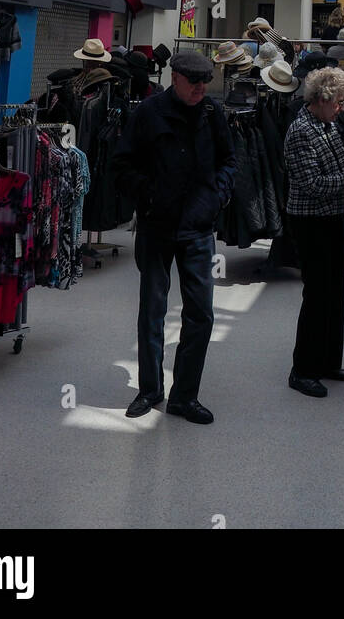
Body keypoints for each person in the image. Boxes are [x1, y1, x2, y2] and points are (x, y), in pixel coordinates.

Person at [111, 50, 236, 423]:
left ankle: (185, 396)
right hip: (156, 226)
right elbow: (121, 164)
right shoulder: (147, 113)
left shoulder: (213, 114)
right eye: (193, 82)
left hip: (198, 227)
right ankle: (150, 389)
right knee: (153, 310)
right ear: (175, 78)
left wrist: (218, 195)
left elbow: (230, 160)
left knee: (201, 314)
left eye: (205, 82)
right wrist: (148, 195)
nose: (201, 88)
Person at [283, 66, 344, 399]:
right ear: (323, 98)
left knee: (332, 292)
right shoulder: (301, 131)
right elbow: (311, 185)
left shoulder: (327, 125)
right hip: (310, 221)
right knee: (316, 294)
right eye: (339, 101)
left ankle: (327, 361)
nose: (342, 108)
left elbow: (337, 168)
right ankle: (303, 370)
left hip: (329, 218)